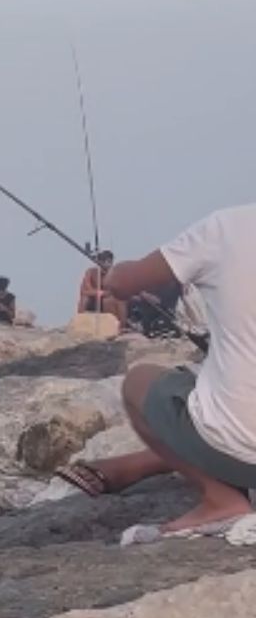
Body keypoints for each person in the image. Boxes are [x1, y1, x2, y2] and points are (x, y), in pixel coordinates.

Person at [55, 205, 256, 535]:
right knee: (205, 377)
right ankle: (146, 463)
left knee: (139, 381)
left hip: (241, 453)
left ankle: (220, 499)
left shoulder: (225, 227)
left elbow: (123, 283)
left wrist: (112, 273)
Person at [77, 250, 127, 326]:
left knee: (117, 301)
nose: (107, 264)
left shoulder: (115, 274)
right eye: (104, 261)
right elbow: (85, 290)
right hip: (94, 300)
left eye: (109, 261)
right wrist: (100, 293)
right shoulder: (91, 272)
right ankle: (80, 321)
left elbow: (118, 290)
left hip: (108, 300)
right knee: (85, 299)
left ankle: (121, 325)